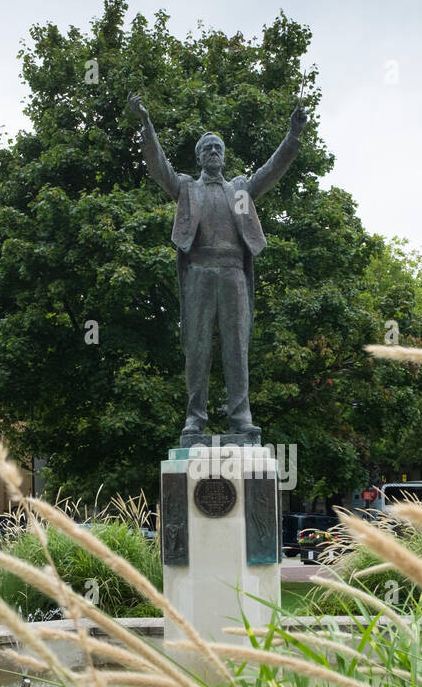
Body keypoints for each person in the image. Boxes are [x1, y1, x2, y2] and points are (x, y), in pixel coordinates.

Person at [128, 93, 307, 443]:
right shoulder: (186, 189)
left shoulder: (239, 190)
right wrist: (146, 124)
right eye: (207, 148)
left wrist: (293, 135)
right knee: (197, 349)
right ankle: (195, 419)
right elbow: (158, 166)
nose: (213, 152)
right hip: (198, 273)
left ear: (223, 156)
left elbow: (271, 171)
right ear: (198, 157)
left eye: (217, 148)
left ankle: (240, 419)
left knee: (236, 348)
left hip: (233, 275)